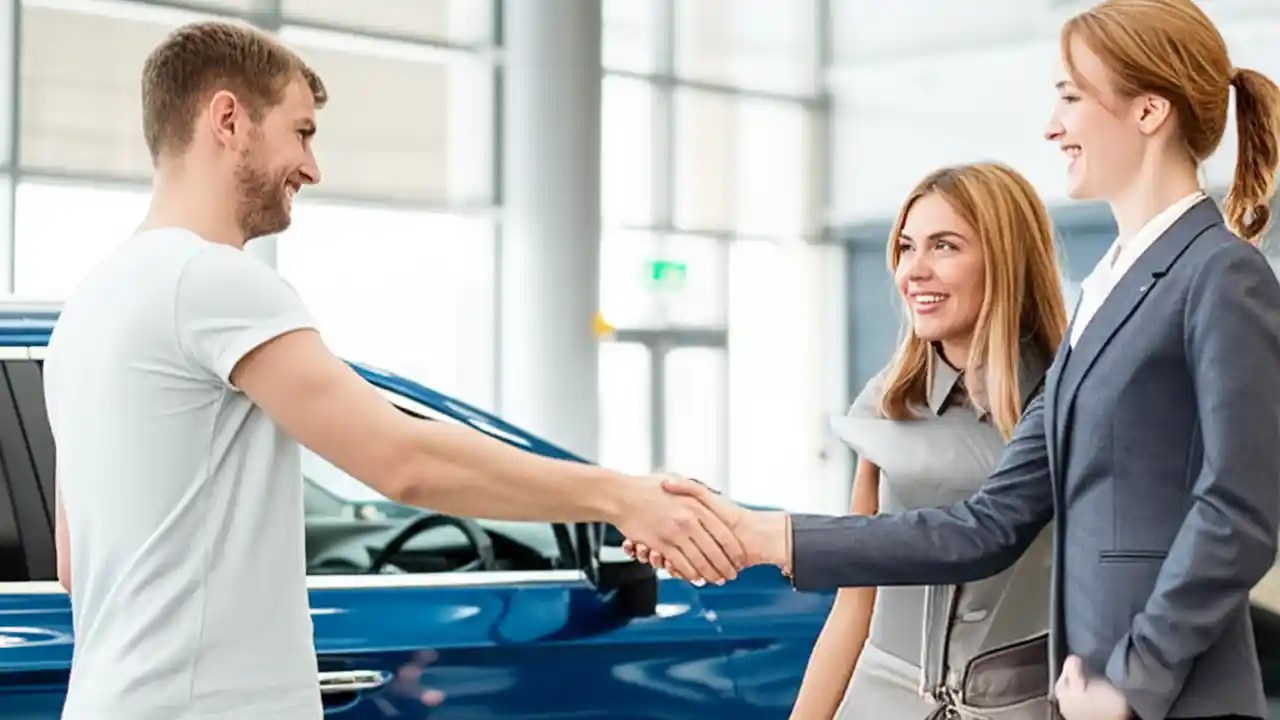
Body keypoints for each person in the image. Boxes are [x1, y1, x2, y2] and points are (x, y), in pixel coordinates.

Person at [45, 21, 743, 720]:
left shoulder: (87, 312)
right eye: (302, 132)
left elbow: (76, 565)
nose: (312, 169)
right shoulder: (211, 281)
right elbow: (401, 457)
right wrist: (622, 497)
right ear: (228, 119)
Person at [630, 1, 1280, 718]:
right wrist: (757, 533)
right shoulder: (1105, 290)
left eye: (1070, 95)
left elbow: (1240, 513)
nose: (1052, 125)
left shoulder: (1221, 274)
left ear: (1148, 111)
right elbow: (985, 525)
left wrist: (1133, 679)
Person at [784, 162, 1068, 719]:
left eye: (944, 246)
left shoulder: (1069, 402)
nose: (914, 270)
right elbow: (854, 605)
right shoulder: (887, 402)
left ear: (1005, 260)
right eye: (906, 247)